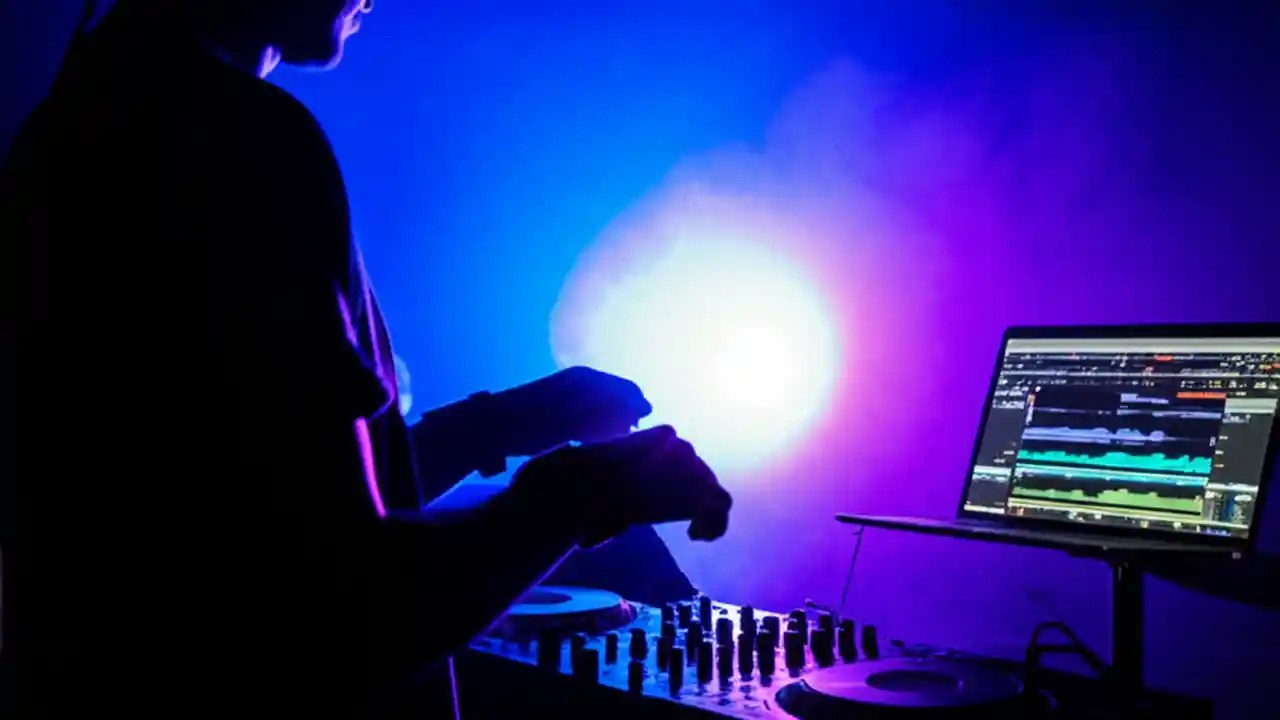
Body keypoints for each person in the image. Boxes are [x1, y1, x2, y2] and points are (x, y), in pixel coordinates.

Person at [0, 0, 732, 716]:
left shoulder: (76, 123)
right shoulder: (241, 142)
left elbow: (247, 508)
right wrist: (589, 493)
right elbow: (340, 607)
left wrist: (497, 424)